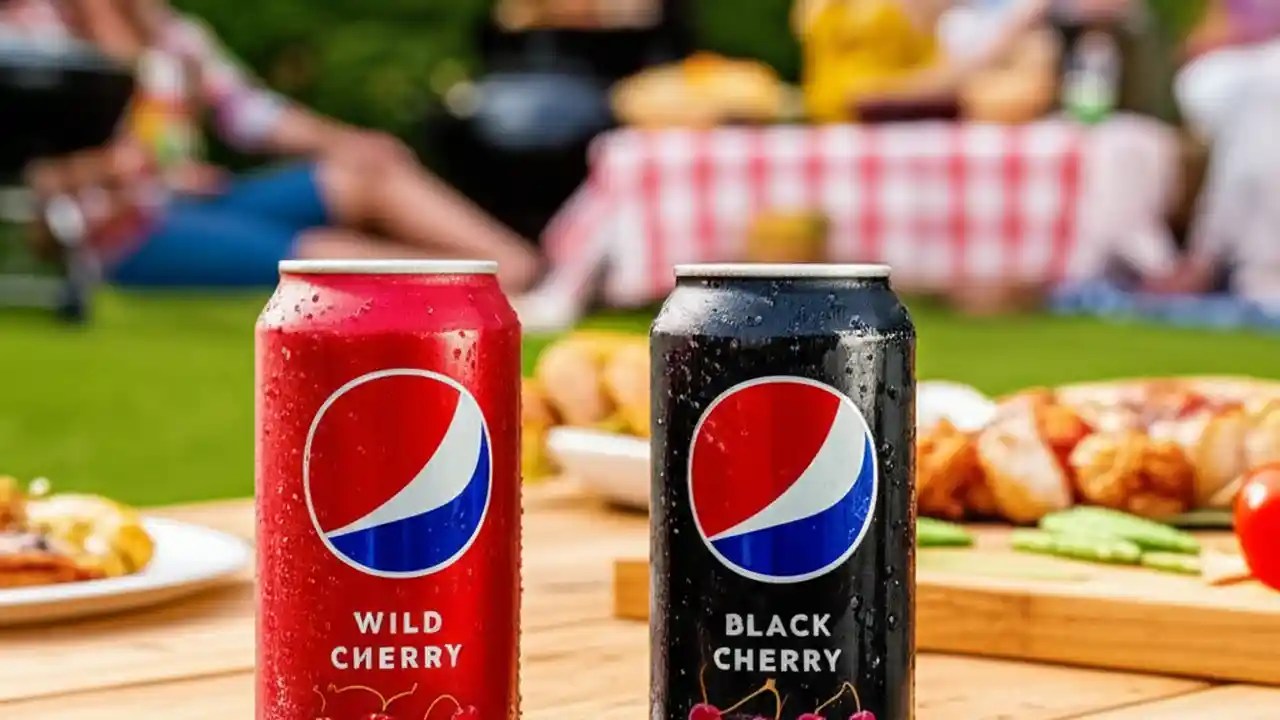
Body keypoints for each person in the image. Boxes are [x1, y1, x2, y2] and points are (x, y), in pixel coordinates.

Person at [5, 0, 542, 291]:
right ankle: (481, 290)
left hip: (199, 200)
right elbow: (28, 164)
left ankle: (522, 273)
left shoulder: (166, 31)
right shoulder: (29, 33)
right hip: (119, 228)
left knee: (365, 171)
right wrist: (138, 173)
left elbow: (248, 111)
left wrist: (346, 142)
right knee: (321, 253)